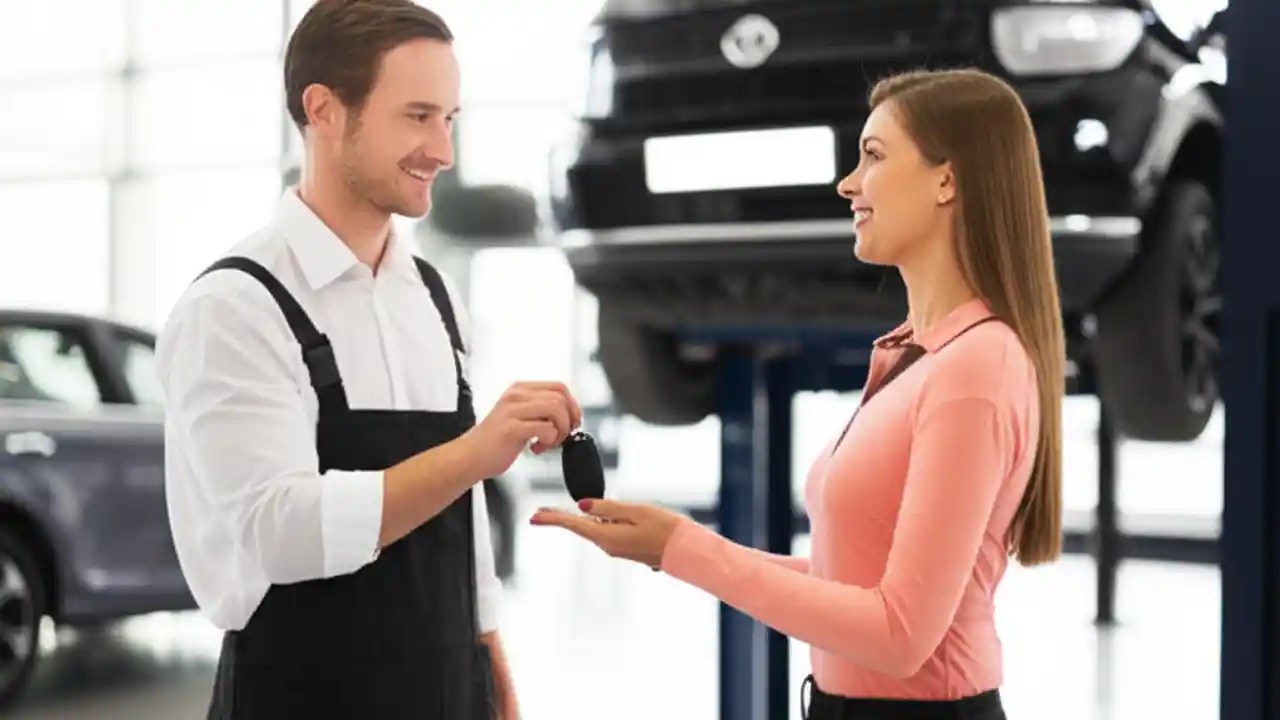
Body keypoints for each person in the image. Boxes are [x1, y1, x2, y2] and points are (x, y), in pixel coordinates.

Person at [532, 67, 1066, 719]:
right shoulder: (920, 353)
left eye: (872, 157)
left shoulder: (977, 366)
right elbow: (852, 583)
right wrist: (676, 544)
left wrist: (684, 548)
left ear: (947, 181)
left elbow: (898, 635)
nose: (848, 183)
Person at [156, 2, 580, 718]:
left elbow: (459, 509)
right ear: (324, 110)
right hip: (300, 694)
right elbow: (282, 531)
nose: (442, 151)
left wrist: (488, 649)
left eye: (450, 119)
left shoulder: (435, 299)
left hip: (447, 688)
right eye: (417, 117)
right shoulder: (236, 306)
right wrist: (478, 451)